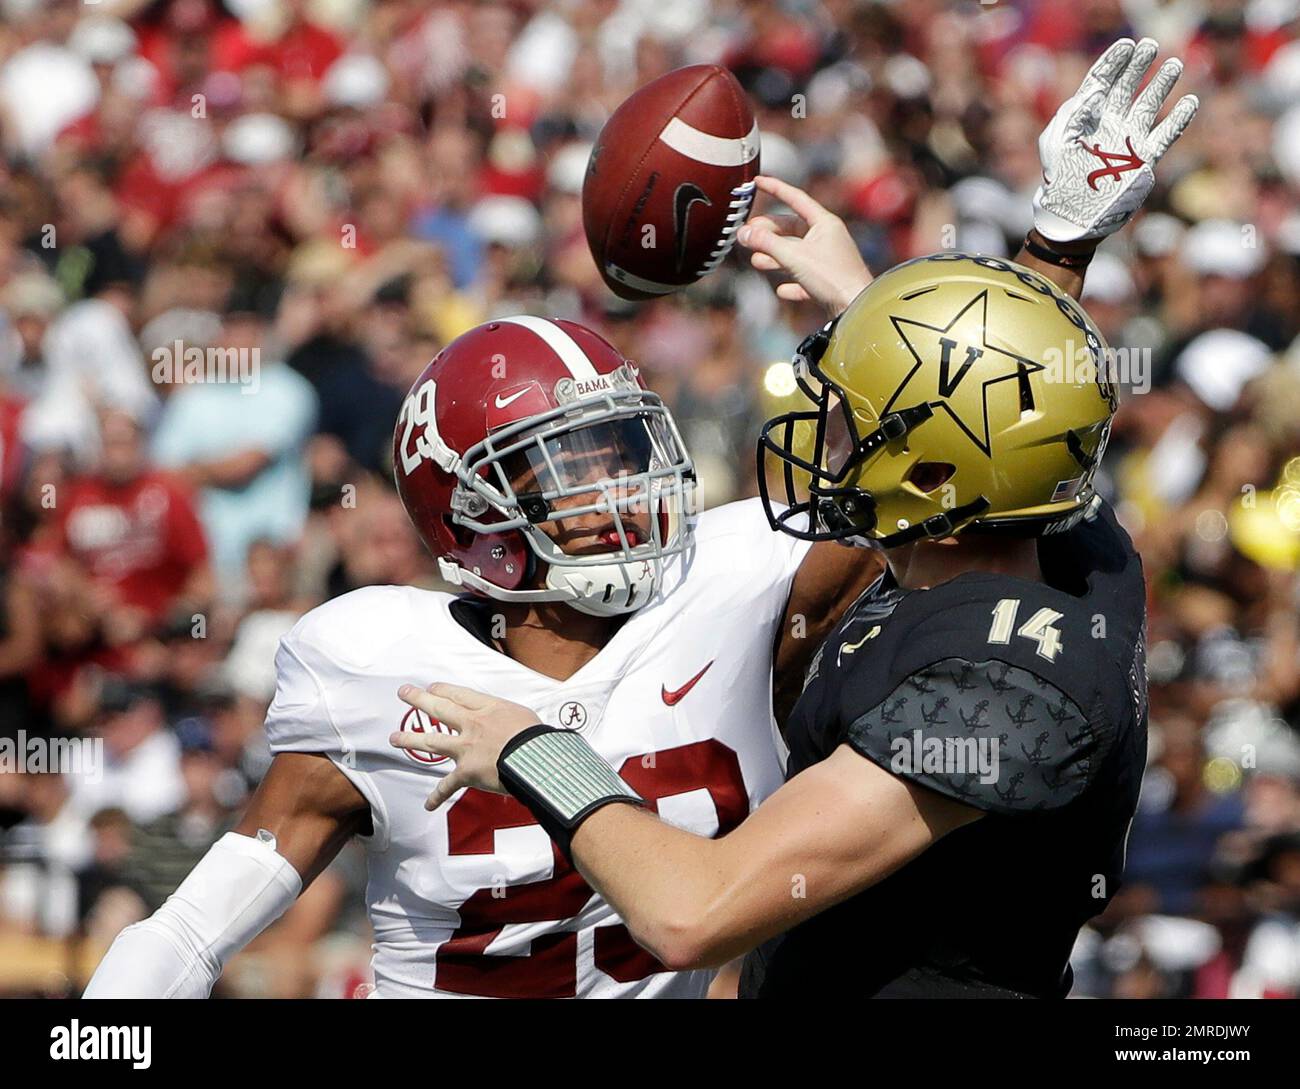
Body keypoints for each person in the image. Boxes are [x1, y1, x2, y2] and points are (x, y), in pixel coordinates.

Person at [82, 36, 1193, 1001]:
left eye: (622, 453)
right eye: (568, 469)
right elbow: (984, 427)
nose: (619, 493)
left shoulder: (764, 583)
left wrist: (532, 752)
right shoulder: (368, 659)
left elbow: (690, 912)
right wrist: (1031, 259)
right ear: (466, 512)